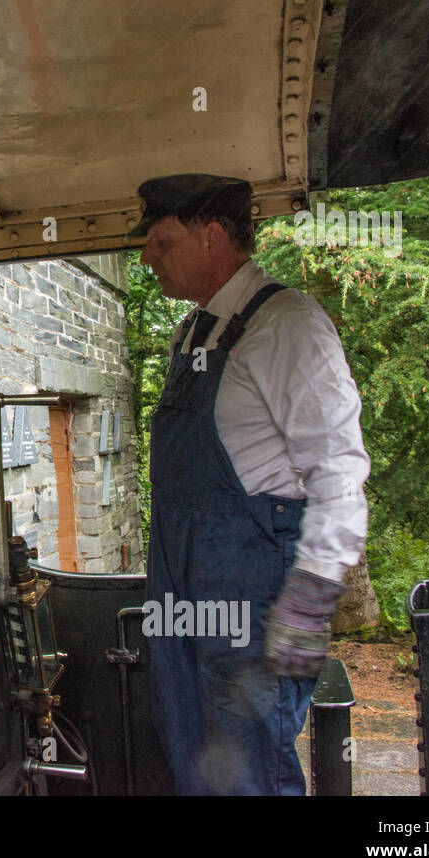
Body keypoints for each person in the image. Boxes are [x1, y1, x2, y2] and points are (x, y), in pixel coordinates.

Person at [131, 174, 370, 795]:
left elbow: (339, 475)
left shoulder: (287, 323)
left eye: (161, 241)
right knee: (189, 745)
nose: (146, 256)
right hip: (180, 582)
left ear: (211, 236)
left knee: (249, 762)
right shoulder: (195, 332)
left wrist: (313, 598)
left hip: (253, 589)